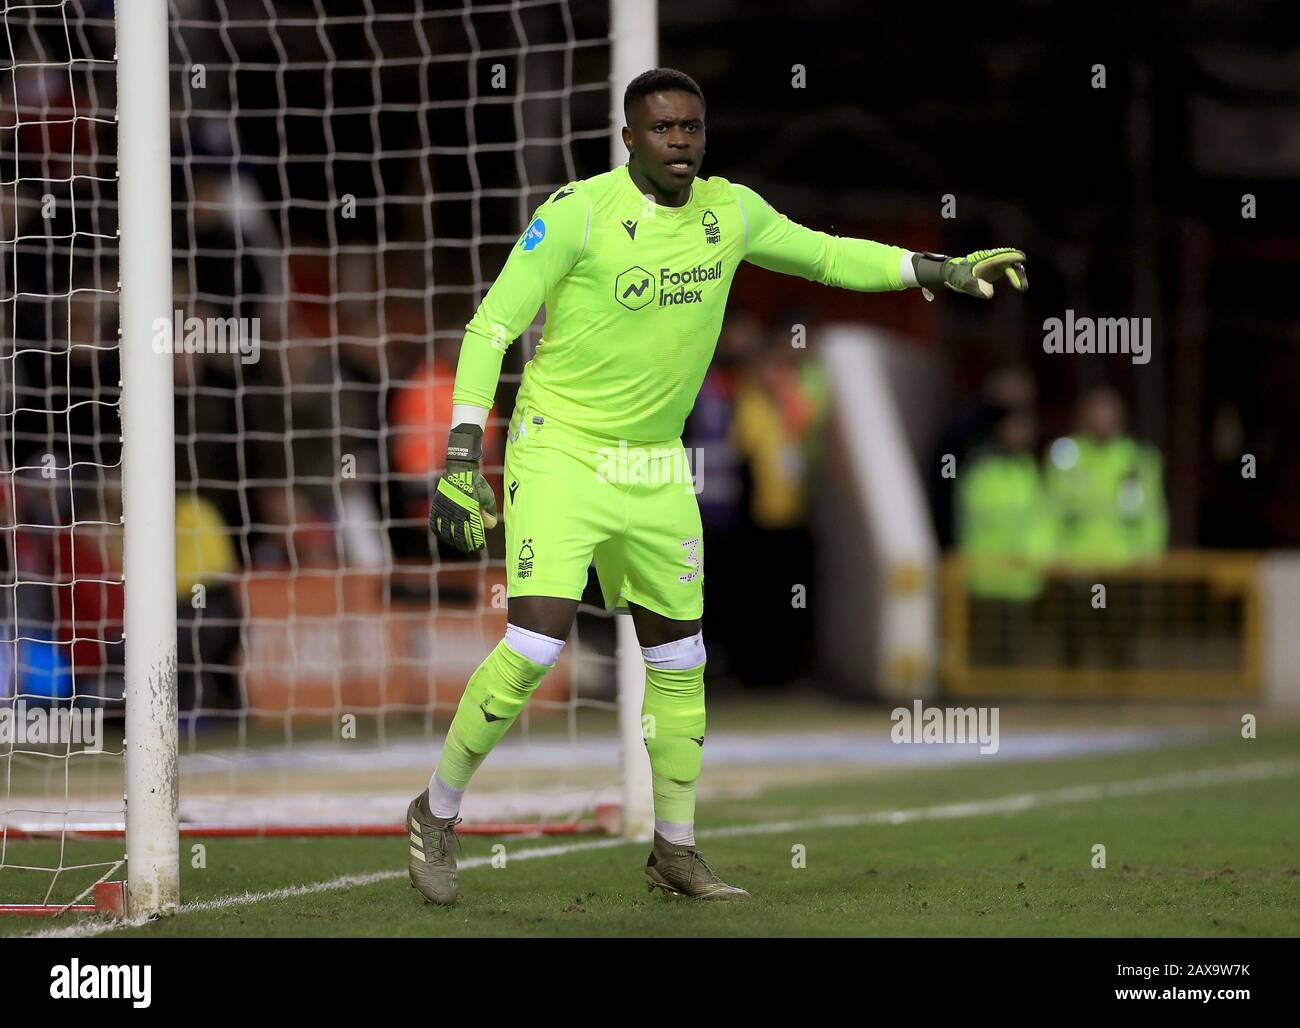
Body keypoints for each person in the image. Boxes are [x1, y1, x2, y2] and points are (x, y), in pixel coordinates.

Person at [412, 67, 1030, 905]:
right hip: (561, 450)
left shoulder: (729, 213)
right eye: (663, 129)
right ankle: (437, 813)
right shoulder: (576, 212)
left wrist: (936, 271)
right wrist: (460, 453)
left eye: (692, 128)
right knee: (533, 645)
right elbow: (491, 326)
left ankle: (675, 850)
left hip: (656, 461)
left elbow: (827, 255)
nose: (680, 142)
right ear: (629, 137)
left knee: (678, 657)